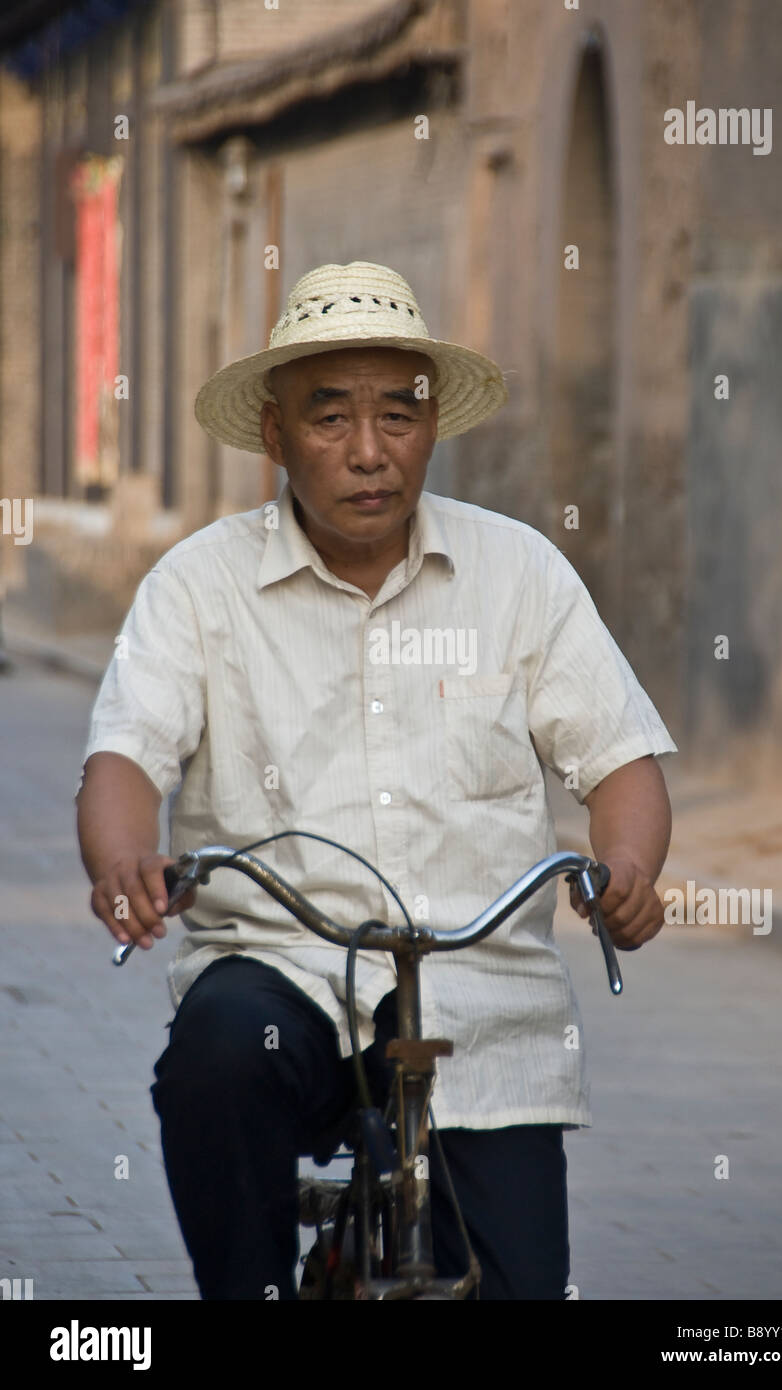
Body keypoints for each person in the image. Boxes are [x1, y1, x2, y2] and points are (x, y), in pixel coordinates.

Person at [76, 260, 676, 1301]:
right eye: (329, 417)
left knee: (520, 1284)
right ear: (274, 434)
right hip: (284, 974)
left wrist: (626, 866)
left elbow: (619, 759)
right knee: (216, 1060)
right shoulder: (200, 585)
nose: (368, 452)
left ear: (433, 426)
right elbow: (127, 750)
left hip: (481, 998)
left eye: (398, 415)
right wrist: (124, 853)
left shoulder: (520, 573)